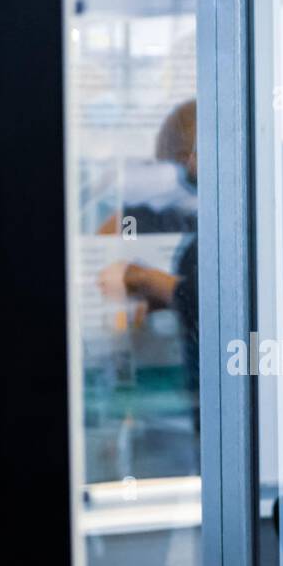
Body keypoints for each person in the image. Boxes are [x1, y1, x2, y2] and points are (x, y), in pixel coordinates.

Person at [98, 99, 200, 402]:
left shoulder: (252, 203)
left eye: (181, 161)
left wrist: (149, 281)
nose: (183, 173)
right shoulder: (202, 210)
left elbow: (229, 304)